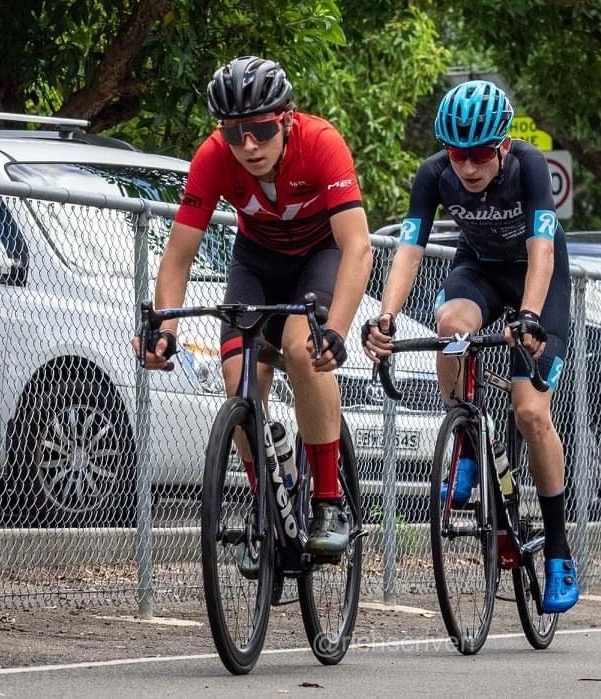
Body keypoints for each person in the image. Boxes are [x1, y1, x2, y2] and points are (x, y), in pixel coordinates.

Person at [137, 55, 372, 558]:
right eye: (234, 133)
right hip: (257, 262)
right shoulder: (212, 157)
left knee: (303, 348)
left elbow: (357, 247)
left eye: (261, 130)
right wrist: (165, 329)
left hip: (319, 257)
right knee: (238, 375)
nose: (248, 145)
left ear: (286, 119)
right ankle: (267, 503)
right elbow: (178, 256)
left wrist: (336, 330)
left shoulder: (322, 143)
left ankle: (328, 501)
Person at [362, 79, 578, 613]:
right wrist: (386, 316)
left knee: (530, 412)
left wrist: (529, 317)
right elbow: (409, 250)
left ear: (503, 145)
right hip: (479, 271)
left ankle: (558, 549)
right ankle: (465, 441)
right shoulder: (433, 174)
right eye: (458, 154)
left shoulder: (529, 166)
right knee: (451, 324)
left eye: (481, 154)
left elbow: (542, 250)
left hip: (537, 280)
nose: (469, 167)